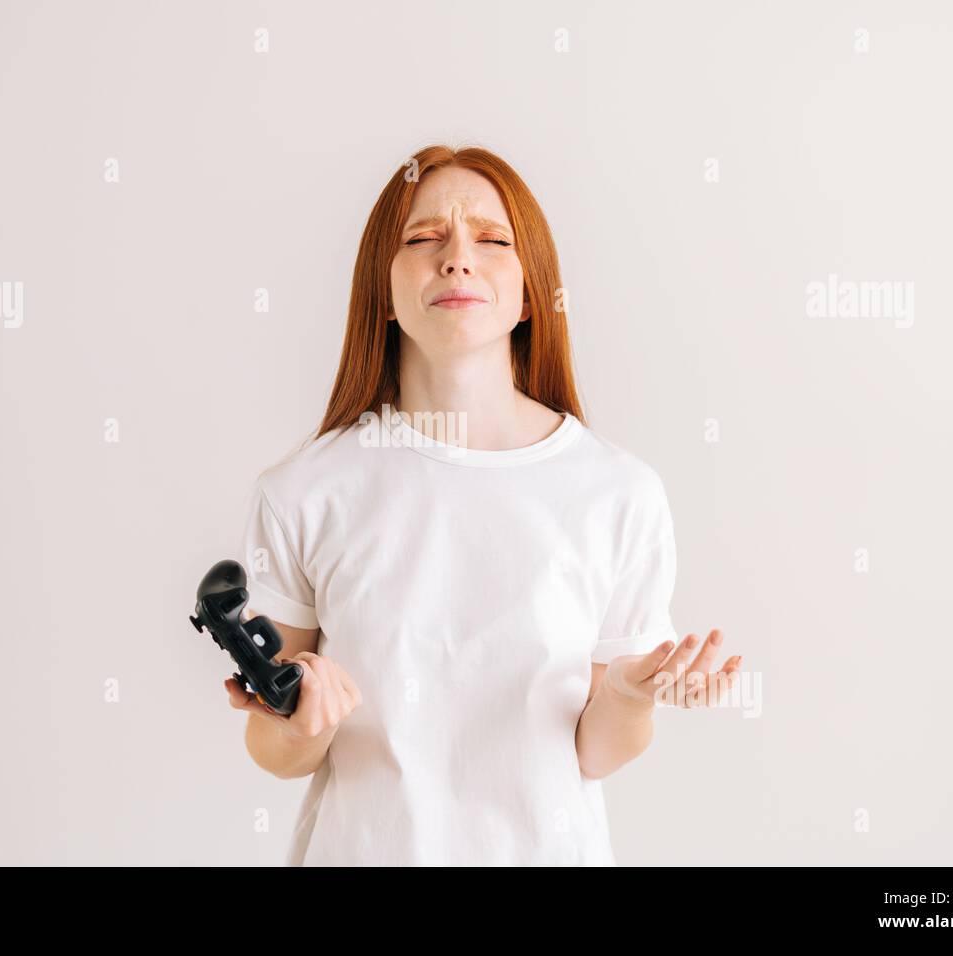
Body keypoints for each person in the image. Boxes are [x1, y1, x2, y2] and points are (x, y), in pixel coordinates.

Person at [225, 144, 743, 866]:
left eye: (492, 240)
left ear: (533, 292)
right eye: (423, 238)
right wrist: (305, 724)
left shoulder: (617, 493)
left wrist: (627, 693)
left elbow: (594, 753)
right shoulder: (305, 491)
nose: (458, 258)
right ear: (383, 287)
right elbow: (276, 751)